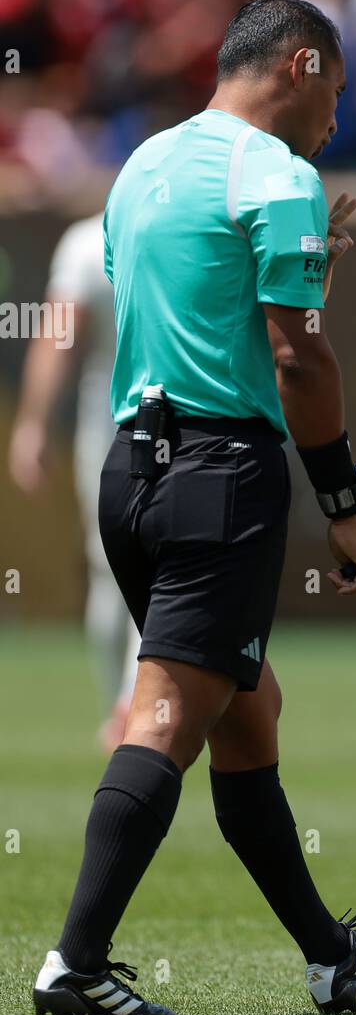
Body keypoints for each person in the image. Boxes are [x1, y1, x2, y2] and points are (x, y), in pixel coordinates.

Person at [33, 0, 356, 1015]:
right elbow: (297, 353)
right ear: (301, 63)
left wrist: (305, 271)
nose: (339, 113)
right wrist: (343, 504)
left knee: (250, 711)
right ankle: (74, 962)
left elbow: (194, 312)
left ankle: (331, 954)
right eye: (337, 85)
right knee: (166, 713)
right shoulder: (279, 172)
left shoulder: (141, 165)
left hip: (132, 471)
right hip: (221, 473)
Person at [9, 211, 140, 752]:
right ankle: (127, 704)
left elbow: (56, 338)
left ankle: (131, 705)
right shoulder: (94, 242)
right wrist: (33, 423)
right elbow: (58, 337)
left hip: (129, 434)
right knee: (124, 569)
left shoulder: (90, 239)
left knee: (125, 570)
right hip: (130, 431)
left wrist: (33, 425)